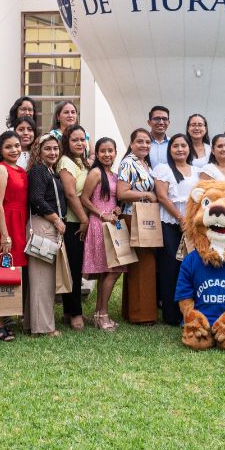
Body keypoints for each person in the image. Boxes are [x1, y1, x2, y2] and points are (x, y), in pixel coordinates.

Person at [0, 130, 28, 341]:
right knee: (2, 271)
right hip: (6, 224)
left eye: (17, 146)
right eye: (9, 147)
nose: (14, 150)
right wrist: (4, 235)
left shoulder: (20, 169)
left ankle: (5, 317)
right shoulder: (0, 170)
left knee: (13, 273)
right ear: (1, 149)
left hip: (20, 224)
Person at [152, 133, 199, 327]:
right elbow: (162, 197)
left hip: (193, 225)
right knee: (171, 267)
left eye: (183, 146)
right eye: (175, 146)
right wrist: (180, 218)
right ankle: (172, 314)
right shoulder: (163, 169)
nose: (180, 149)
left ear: (189, 148)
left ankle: (190, 311)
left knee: (191, 267)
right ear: (169, 150)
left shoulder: (197, 171)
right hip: (170, 223)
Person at [82, 137, 127, 330]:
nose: (107, 154)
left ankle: (99, 313)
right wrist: (102, 214)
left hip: (112, 225)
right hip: (99, 225)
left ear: (116, 152)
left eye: (110, 151)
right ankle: (103, 315)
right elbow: (84, 198)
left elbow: (112, 200)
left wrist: (116, 210)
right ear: (97, 154)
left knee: (108, 272)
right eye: (103, 151)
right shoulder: (95, 173)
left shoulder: (115, 175)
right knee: (112, 271)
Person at [118, 128, 159, 324]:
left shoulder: (145, 163)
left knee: (139, 265)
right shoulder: (128, 163)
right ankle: (142, 315)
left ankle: (131, 310)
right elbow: (122, 192)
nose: (144, 145)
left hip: (144, 217)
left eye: (147, 142)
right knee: (144, 264)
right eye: (140, 141)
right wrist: (147, 195)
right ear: (131, 143)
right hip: (134, 217)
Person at [27, 131, 66, 337]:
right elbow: (36, 199)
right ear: (38, 151)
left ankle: (32, 323)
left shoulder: (50, 171)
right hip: (44, 225)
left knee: (43, 278)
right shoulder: (38, 171)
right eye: (48, 148)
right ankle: (43, 328)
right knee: (42, 279)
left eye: (55, 148)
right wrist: (56, 219)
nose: (52, 152)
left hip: (49, 225)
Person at [56, 125, 90, 330]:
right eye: (74, 140)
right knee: (73, 270)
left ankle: (69, 311)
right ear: (67, 142)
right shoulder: (65, 161)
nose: (79, 143)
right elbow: (70, 194)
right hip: (72, 223)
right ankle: (75, 313)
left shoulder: (81, 161)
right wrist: (84, 219)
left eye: (82, 139)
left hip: (81, 220)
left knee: (75, 269)